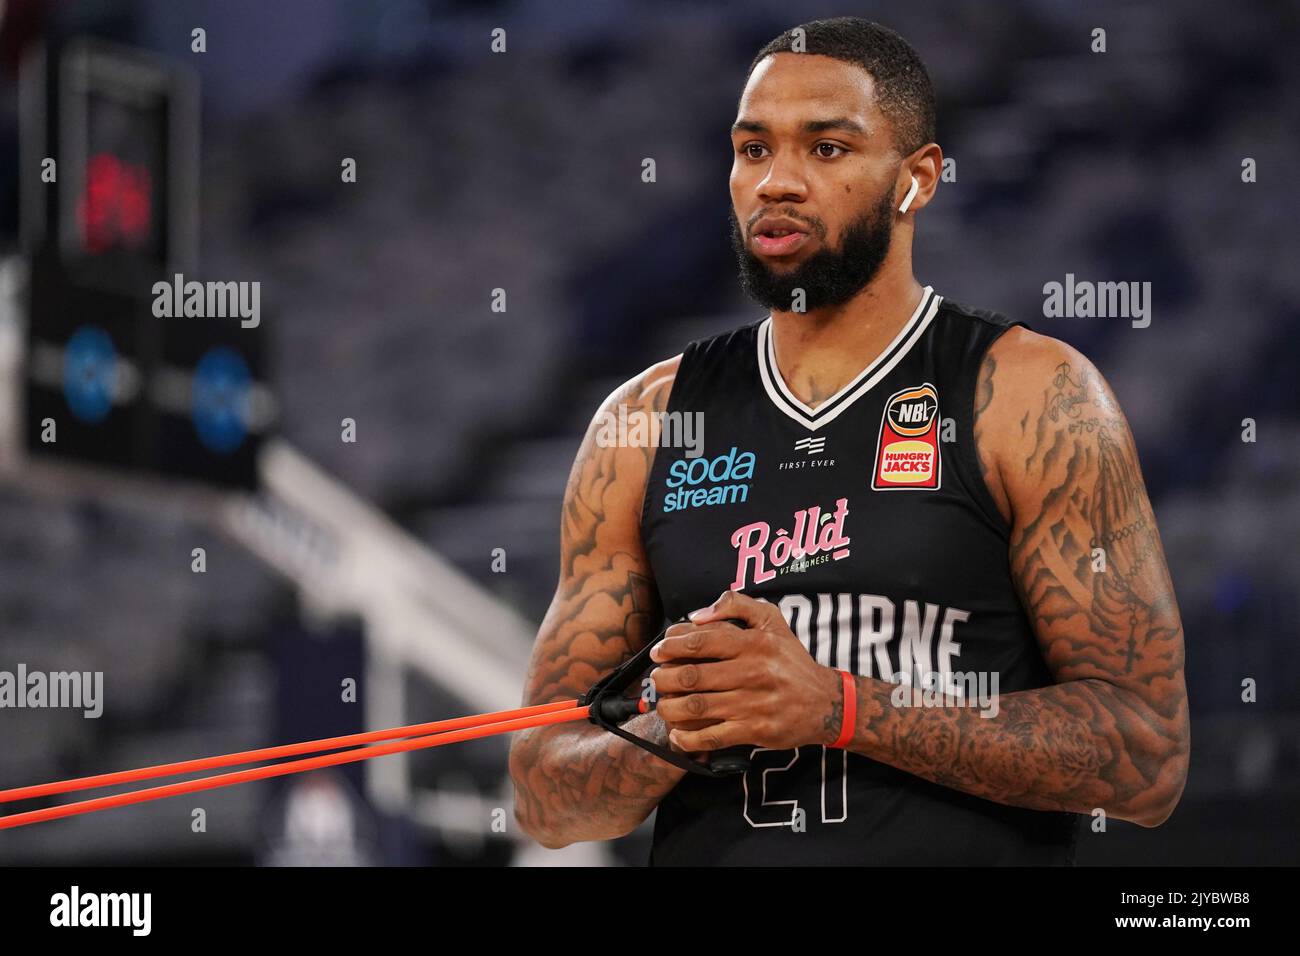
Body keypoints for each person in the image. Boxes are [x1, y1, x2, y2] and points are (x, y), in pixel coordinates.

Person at [509, 16, 1189, 865]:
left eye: (825, 150)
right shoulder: (643, 422)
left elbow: (1147, 756)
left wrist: (839, 708)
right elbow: (543, 793)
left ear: (918, 180)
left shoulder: (1031, 394)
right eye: (753, 150)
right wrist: (677, 728)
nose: (777, 182)